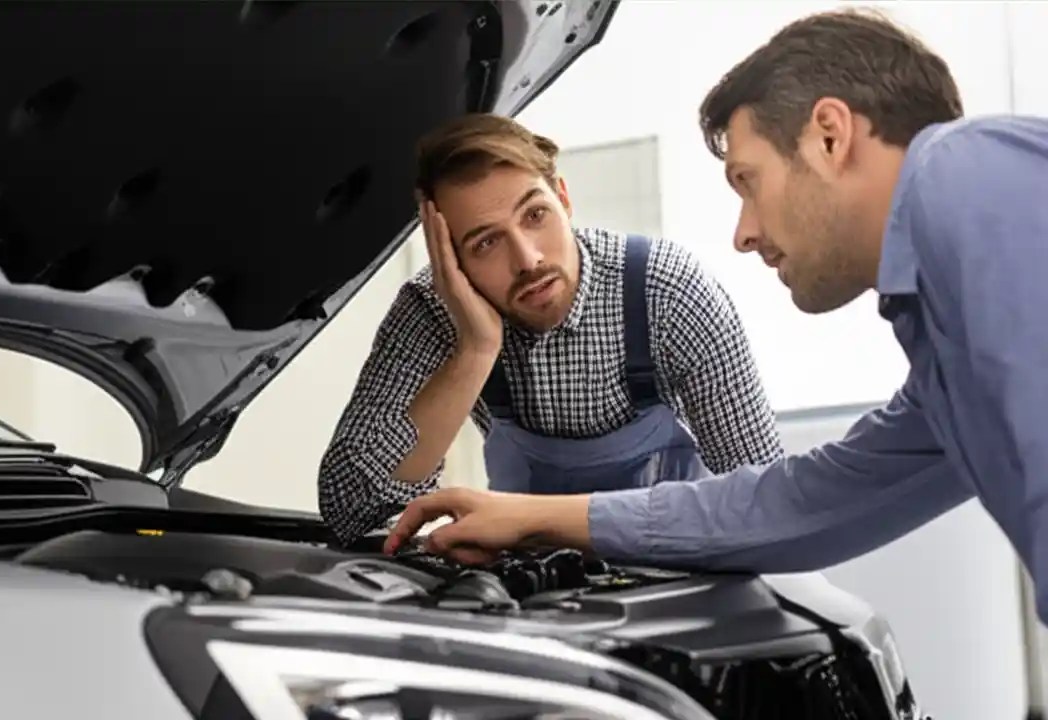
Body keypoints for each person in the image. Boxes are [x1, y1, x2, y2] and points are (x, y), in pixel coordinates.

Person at [382, 8, 1048, 622]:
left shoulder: (964, 177)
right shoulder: (943, 362)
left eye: (746, 181)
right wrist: (530, 518)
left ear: (829, 136)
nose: (744, 232)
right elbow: (791, 507)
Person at [317, 113, 782, 545]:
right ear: (451, 261)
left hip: (682, 576)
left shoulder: (667, 289)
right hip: (535, 598)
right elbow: (348, 508)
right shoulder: (437, 311)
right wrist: (475, 351)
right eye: (485, 243)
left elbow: (766, 506)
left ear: (563, 198)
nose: (528, 259)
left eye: (535, 216)